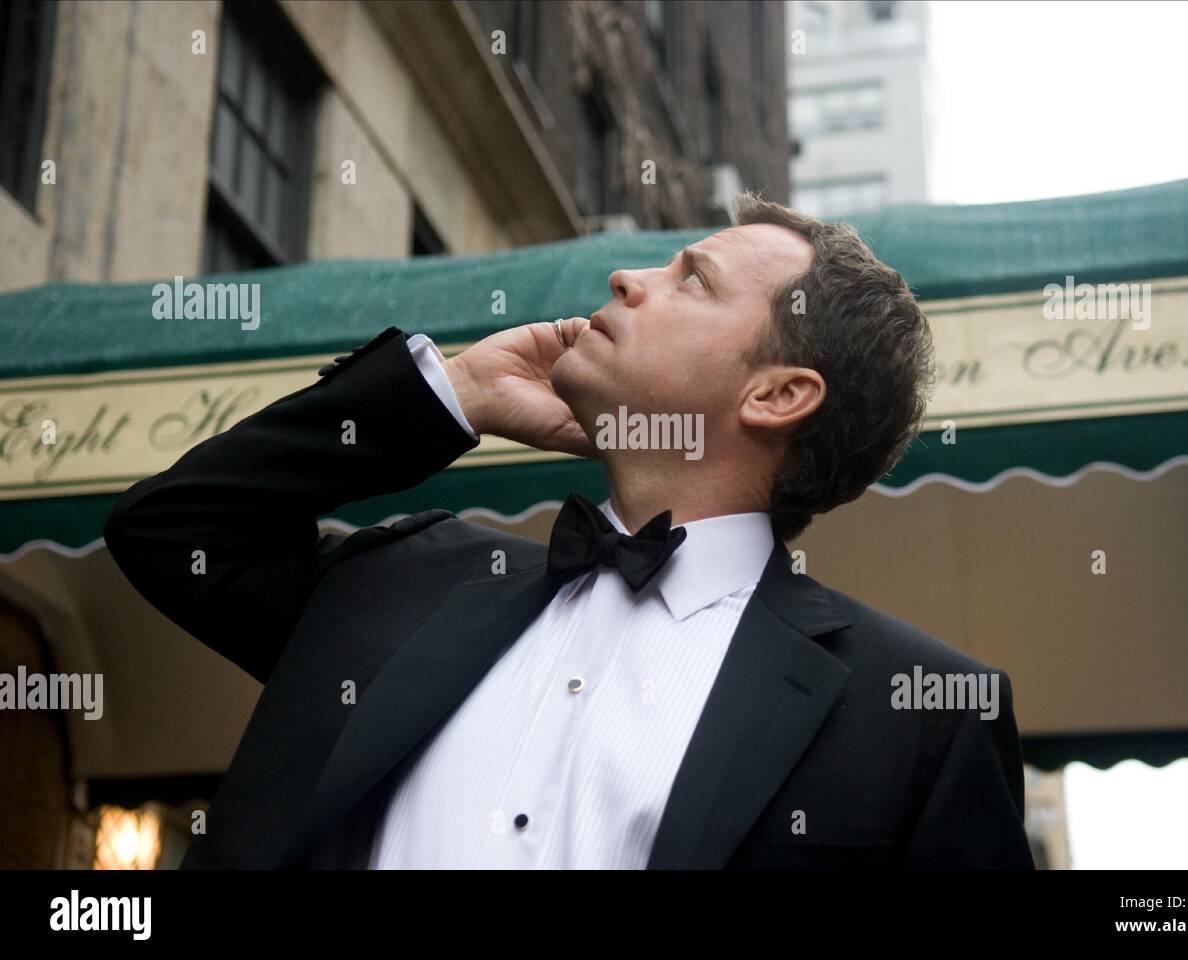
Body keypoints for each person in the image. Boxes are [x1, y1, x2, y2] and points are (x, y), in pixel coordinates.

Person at [103, 192, 1034, 869]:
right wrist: (450, 395)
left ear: (778, 393)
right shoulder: (405, 580)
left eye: (691, 280)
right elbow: (174, 528)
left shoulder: (925, 719)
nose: (628, 276)